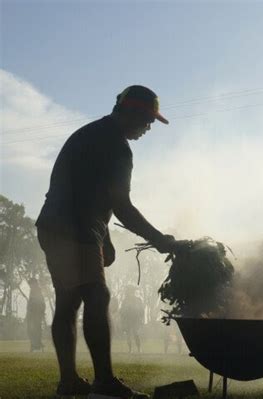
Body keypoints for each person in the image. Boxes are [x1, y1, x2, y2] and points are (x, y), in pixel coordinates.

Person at [36, 85, 186, 399]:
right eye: (147, 121)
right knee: (97, 296)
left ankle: (68, 383)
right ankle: (103, 382)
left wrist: (103, 238)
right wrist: (158, 239)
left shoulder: (88, 134)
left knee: (67, 302)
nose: (148, 129)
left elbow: (89, 190)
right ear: (133, 113)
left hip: (53, 226)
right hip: (75, 228)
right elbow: (122, 206)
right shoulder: (117, 147)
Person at [120, 286, 144, 353]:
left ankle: (139, 348)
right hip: (128, 319)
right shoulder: (125, 300)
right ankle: (130, 349)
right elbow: (122, 311)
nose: (131, 293)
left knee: (136, 333)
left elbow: (142, 310)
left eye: (132, 292)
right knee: (128, 335)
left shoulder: (138, 300)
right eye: (130, 292)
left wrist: (141, 319)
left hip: (136, 319)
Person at [26, 278, 46, 352]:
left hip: (36, 314)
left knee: (36, 330)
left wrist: (41, 312)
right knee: (31, 330)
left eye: (31, 284)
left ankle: (37, 345)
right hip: (31, 314)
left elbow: (41, 303)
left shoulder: (38, 291)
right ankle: (35, 345)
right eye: (30, 284)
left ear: (35, 283)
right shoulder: (32, 291)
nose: (30, 285)